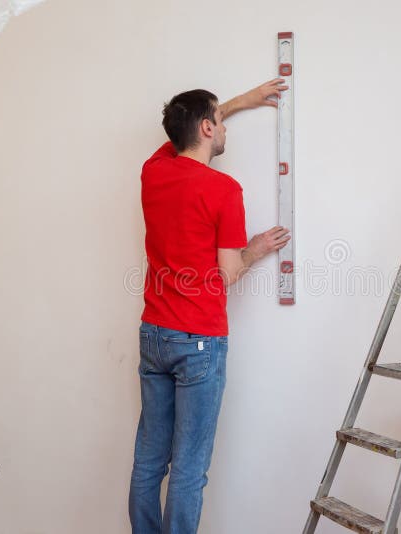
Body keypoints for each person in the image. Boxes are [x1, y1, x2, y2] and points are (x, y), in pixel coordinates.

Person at [130, 79, 291, 534]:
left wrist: (236, 103)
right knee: (188, 468)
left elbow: (179, 140)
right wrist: (256, 248)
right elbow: (229, 272)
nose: (226, 128)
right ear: (206, 127)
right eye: (220, 120)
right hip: (198, 340)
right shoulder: (224, 189)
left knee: (149, 461)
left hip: (154, 334)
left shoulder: (153, 172)